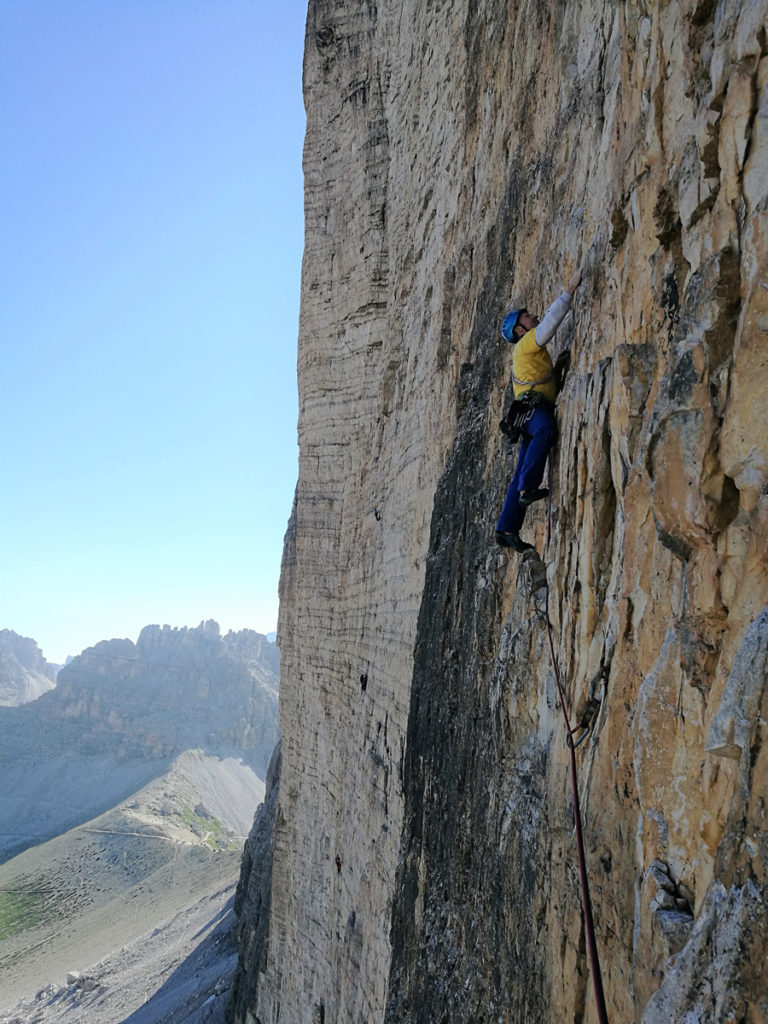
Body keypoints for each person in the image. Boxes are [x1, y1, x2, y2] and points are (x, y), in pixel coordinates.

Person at [495, 267, 583, 551]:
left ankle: (507, 528)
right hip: (534, 412)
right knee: (546, 428)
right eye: (526, 315)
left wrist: (557, 369)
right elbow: (548, 325)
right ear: (520, 330)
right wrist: (569, 291)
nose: (532, 314)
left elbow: (540, 379)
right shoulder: (525, 345)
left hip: (527, 413)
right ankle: (528, 488)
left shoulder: (527, 353)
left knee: (522, 464)